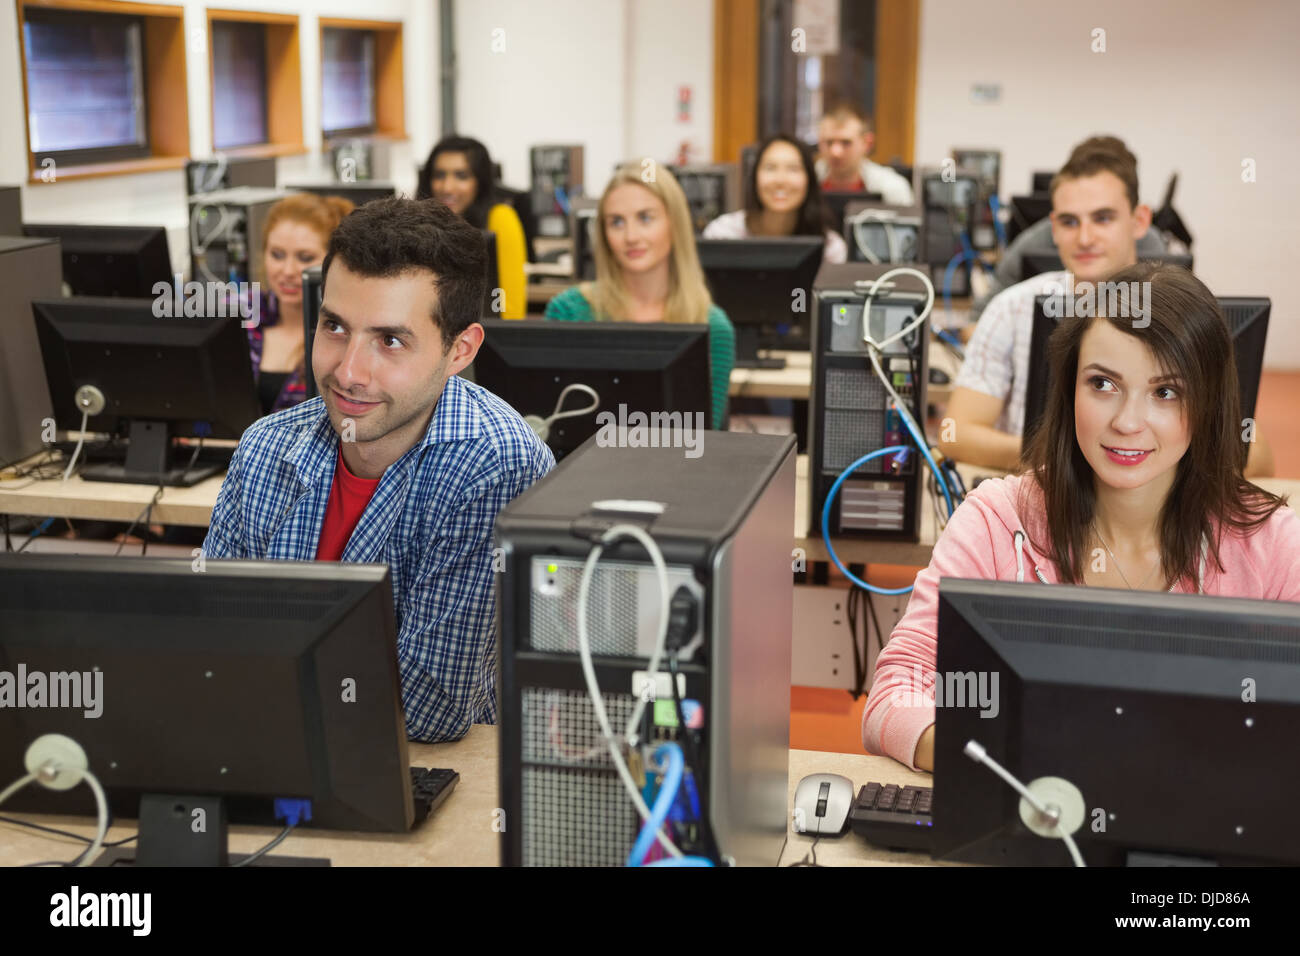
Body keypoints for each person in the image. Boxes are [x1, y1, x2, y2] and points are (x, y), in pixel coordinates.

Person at [864, 262, 1300, 772]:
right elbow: (898, 692)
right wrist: (1009, 763)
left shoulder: (1271, 544)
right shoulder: (998, 522)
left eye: (1166, 392)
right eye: (1103, 384)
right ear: (1069, 389)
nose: (1127, 421)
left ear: (1207, 405)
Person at [202, 198, 555, 742]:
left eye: (389, 341)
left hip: (427, 783)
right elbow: (206, 646)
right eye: (335, 327)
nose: (348, 372)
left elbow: (427, 708)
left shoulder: (492, 465)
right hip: (268, 753)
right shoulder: (266, 446)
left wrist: (257, 677)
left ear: (460, 350)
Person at [940, 135, 1272, 476]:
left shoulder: (1187, 317)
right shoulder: (1012, 309)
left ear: (1140, 221)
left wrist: (1141, 456)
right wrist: (1079, 454)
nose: (1084, 238)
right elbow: (955, 434)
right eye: (1069, 222)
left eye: (1103, 218)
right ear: (1053, 229)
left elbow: (1256, 457)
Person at [544, 164, 736, 430]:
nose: (631, 236)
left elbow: (704, 440)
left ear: (674, 224)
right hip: (578, 469)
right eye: (616, 222)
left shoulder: (712, 327)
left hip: (675, 470)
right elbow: (552, 427)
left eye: (645, 218)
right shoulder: (568, 311)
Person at [250, 193, 354, 414]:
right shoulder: (240, 315)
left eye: (305, 258)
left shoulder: (346, 333)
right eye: (277, 255)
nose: (287, 271)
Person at [418, 135, 526, 319]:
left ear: (480, 182)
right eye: (439, 175)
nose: (447, 187)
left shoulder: (500, 218)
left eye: (461, 176)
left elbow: (509, 305)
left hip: (484, 338)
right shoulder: (418, 224)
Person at [703, 133, 847, 263]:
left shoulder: (830, 248)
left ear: (809, 179)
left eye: (793, 169)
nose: (780, 180)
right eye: (770, 168)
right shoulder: (722, 235)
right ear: (754, 178)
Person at [815, 103, 914, 205]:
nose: (836, 152)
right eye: (829, 142)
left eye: (846, 143)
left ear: (867, 143)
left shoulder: (893, 188)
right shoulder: (803, 183)